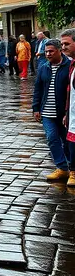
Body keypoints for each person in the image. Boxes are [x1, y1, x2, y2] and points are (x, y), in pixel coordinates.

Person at [32, 39, 71, 182]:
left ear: (59, 50)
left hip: (63, 112)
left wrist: (68, 111)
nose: (48, 54)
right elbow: (38, 88)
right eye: (46, 51)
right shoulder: (43, 67)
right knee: (52, 138)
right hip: (47, 112)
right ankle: (62, 167)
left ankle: (72, 167)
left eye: (51, 51)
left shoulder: (69, 66)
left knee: (67, 141)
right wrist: (36, 108)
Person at [59, 29, 75, 187]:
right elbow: (70, 92)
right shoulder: (72, 64)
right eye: (62, 44)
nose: (63, 47)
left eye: (67, 44)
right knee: (71, 146)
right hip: (72, 115)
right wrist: (66, 113)